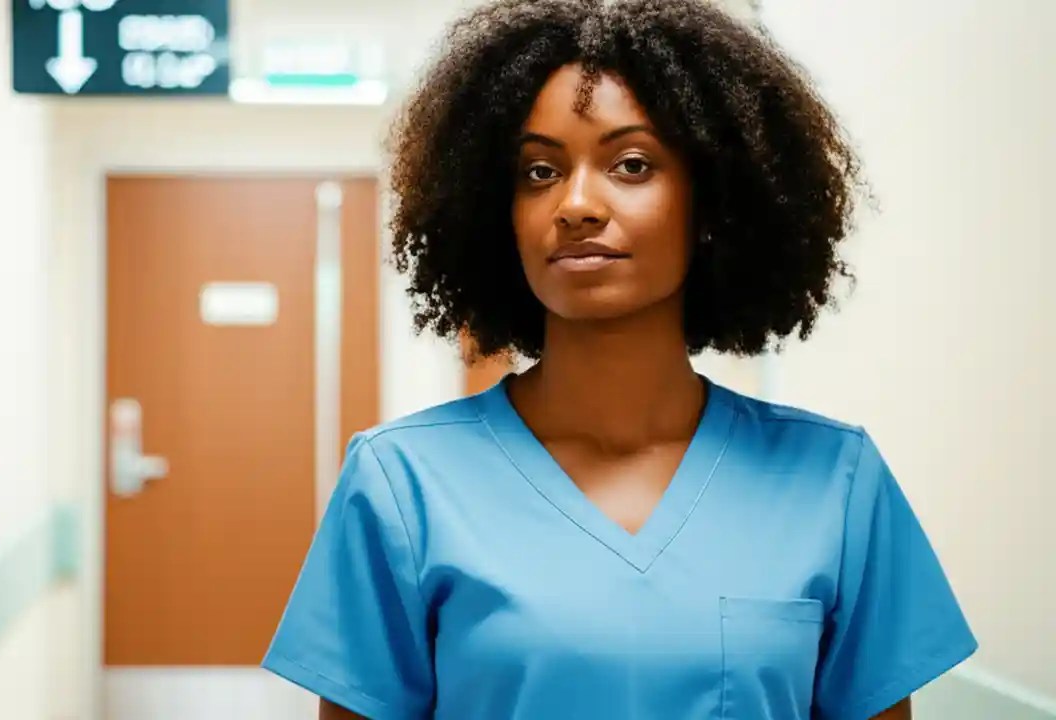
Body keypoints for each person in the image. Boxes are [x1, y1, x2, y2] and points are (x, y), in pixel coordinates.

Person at [261, 0, 977, 718]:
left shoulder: (835, 482)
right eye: (538, 172)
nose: (575, 203)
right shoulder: (401, 485)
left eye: (631, 164)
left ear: (714, 205)